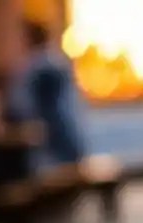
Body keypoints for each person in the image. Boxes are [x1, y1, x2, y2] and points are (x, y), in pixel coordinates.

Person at [10, 19, 87, 169]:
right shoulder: (58, 61)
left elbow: (19, 105)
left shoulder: (36, 68)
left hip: (52, 147)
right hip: (72, 140)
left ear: (29, 38)